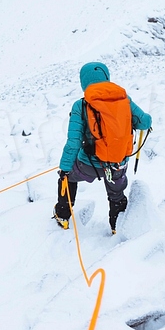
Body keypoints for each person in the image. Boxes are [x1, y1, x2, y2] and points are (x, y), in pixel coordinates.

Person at [55, 61, 152, 233]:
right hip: (117, 163)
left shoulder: (81, 105)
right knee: (116, 195)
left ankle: (62, 216)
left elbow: (73, 142)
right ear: (106, 77)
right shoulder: (124, 100)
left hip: (88, 164)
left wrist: (64, 168)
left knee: (68, 179)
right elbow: (143, 122)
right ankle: (117, 226)